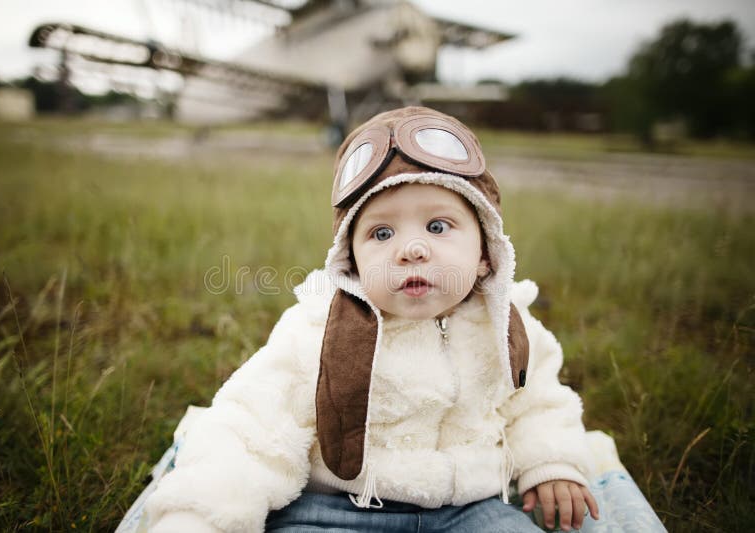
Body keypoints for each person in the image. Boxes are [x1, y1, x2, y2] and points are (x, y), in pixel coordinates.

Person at [144, 106, 600, 532]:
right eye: (382, 233)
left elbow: (538, 402)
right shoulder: (317, 330)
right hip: (343, 507)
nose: (411, 249)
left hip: (470, 507)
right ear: (352, 259)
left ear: (485, 254)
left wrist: (551, 464)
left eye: (438, 226)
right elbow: (253, 426)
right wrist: (199, 515)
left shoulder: (505, 325)